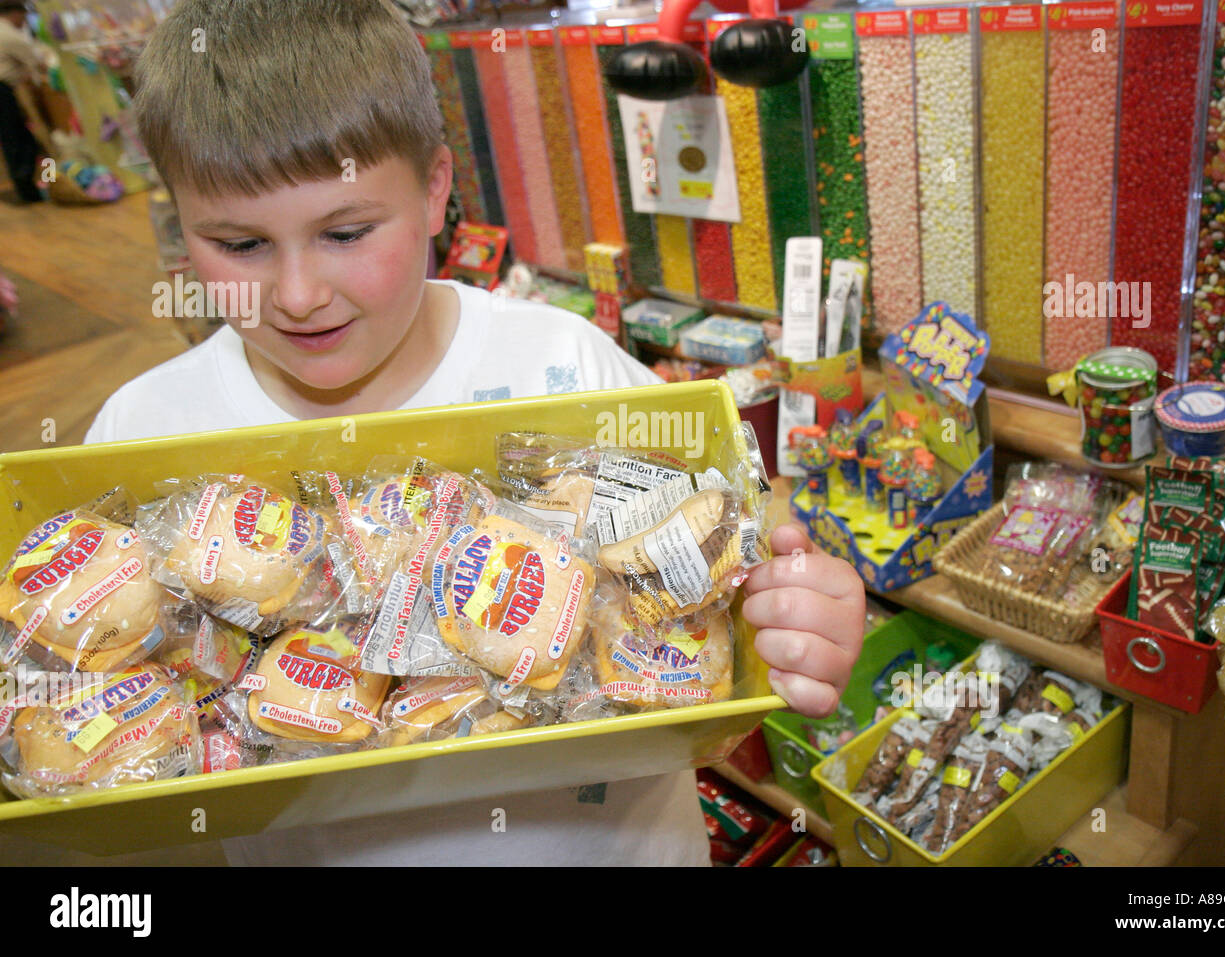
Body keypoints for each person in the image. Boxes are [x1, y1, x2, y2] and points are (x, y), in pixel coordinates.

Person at [85, 0, 865, 865]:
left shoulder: (564, 364)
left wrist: (799, 613)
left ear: (434, 190)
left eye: (345, 232)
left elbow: (733, 540)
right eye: (239, 243)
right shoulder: (144, 426)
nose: (298, 292)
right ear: (178, 224)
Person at [0, 0, 46, 203]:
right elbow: (37, 63)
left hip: (8, 91)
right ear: (16, 13)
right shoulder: (9, 35)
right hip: (4, 92)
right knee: (23, 142)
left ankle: (29, 189)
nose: (26, 21)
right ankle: (32, 191)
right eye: (24, 16)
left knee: (14, 141)